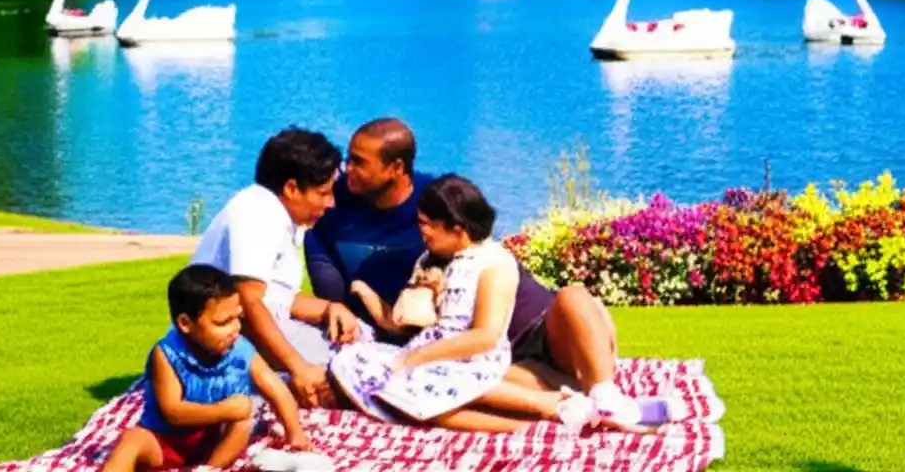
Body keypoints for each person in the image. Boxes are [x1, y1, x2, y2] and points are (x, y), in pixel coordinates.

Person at [306, 119, 681, 428]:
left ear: (396, 169)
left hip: (535, 330)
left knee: (574, 296)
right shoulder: (335, 214)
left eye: (357, 162)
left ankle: (605, 394)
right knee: (449, 385)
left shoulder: (445, 208)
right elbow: (373, 309)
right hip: (494, 360)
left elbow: (483, 311)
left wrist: (416, 355)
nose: (345, 171)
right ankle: (591, 407)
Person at [328, 175, 578, 432]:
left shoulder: (493, 262)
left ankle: (541, 406)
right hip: (437, 351)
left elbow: (485, 337)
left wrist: (419, 357)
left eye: (426, 224)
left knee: (408, 385)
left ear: (456, 229)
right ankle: (527, 426)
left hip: (473, 357)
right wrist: (365, 292)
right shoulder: (432, 259)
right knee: (365, 364)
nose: (421, 231)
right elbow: (401, 321)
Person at [189, 126, 367, 410]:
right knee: (355, 374)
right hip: (228, 342)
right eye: (323, 193)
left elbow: (274, 295)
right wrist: (299, 368)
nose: (331, 203)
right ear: (292, 188)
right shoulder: (258, 215)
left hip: (257, 332)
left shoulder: (275, 213)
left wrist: (329, 308)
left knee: (364, 344)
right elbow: (248, 299)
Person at [102, 265, 311, 471]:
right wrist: (223, 410)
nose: (235, 329)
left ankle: (209, 469)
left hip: (214, 445)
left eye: (238, 318)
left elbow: (276, 389)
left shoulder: (241, 350)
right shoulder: (167, 355)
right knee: (131, 439)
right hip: (164, 441)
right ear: (185, 323)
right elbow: (173, 412)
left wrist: (295, 432)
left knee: (241, 421)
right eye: (223, 322)